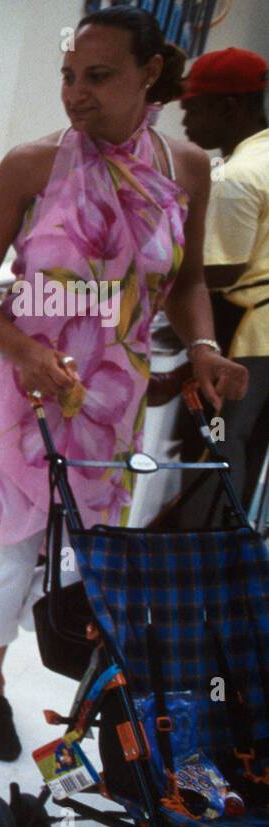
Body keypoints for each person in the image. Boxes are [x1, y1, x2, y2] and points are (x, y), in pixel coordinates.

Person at [0, 7, 249, 761]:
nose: (76, 93)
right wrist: (23, 351)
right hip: (23, 388)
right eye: (68, 76)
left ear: (150, 76)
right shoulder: (31, 165)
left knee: (77, 554)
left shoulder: (186, 169)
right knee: (13, 547)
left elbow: (188, 279)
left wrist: (201, 347)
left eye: (98, 76)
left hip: (113, 398)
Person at [177, 48, 269, 523]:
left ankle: (196, 566)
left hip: (242, 335)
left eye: (193, 106)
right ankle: (235, 564)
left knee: (215, 448)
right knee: (249, 452)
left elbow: (217, 272)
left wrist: (143, 278)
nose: (185, 119)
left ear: (229, 108)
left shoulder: (237, 176)